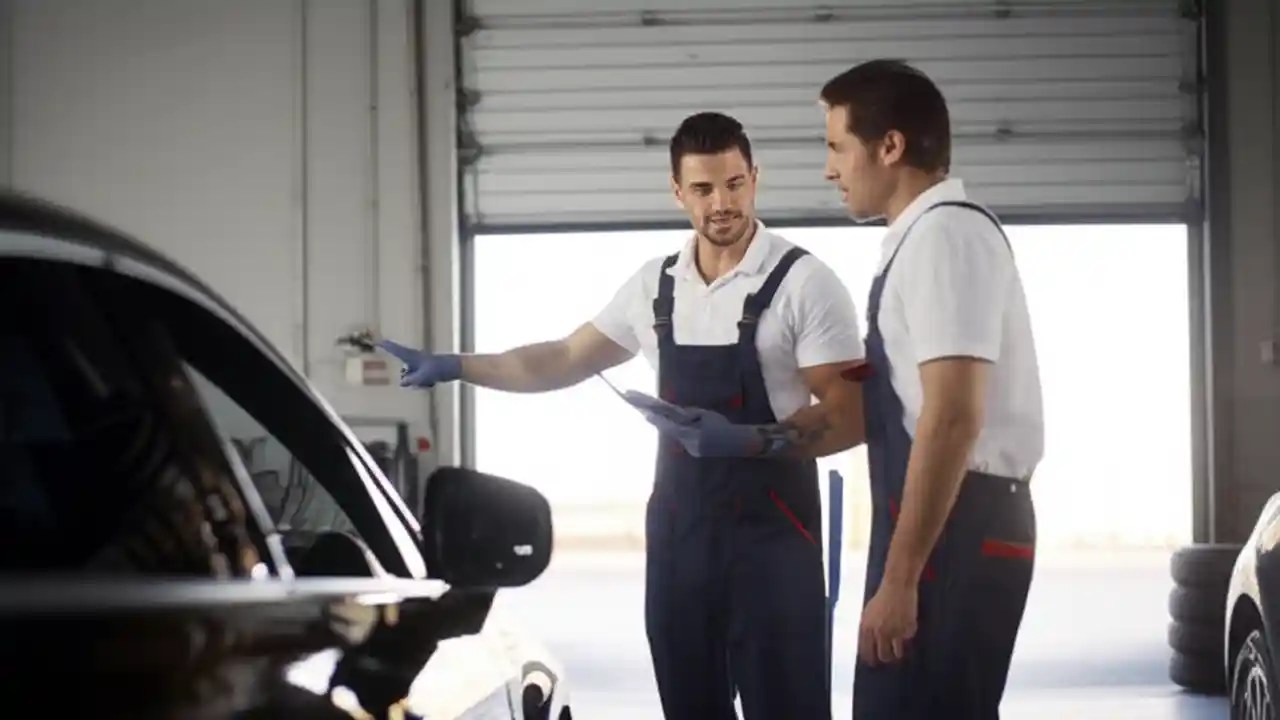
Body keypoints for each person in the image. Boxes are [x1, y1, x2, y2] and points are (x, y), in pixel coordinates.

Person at [377, 111, 865, 719]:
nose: (722, 203)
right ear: (677, 191)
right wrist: (455, 364)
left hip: (774, 549)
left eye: (735, 184)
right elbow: (558, 359)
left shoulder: (804, 284)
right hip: (680, 547)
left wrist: (750, 442)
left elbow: (851, 414)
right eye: (704, 189)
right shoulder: (655, 287)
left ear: (755, 179)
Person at [813, 59, 1044, 719]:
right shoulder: (916, 239)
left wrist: (900, 579)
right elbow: (906, 410)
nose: (830, 168)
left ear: (890, 147)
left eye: (837, 146)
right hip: (940, 523)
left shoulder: (947, 234)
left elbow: (951, 417)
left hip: (961, 527)